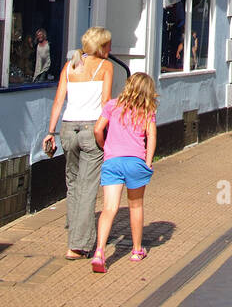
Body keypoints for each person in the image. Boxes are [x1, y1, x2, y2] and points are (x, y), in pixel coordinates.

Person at [44, 27, 114, 260]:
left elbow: (58, 102)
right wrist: (109, 131)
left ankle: (74, 232)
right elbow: (105, 103)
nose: (110, 49)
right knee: (88, 187)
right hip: (91, 129)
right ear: (102, 46)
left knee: (73, 183)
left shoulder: (70, 66)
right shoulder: (106, 67)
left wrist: (50, 132)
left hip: (67, 128)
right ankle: (78, 244)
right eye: (108, 45)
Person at [91, 71, 157, 272]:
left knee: (109, 208)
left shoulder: (112, 105)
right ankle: (137, 250)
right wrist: (148, 161)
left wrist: (105, 147)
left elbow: (97, 129)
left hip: (113, 161)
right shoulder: (147, 110)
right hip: (136, 161)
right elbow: (151, 136)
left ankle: (100, 252)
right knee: (135, 206)